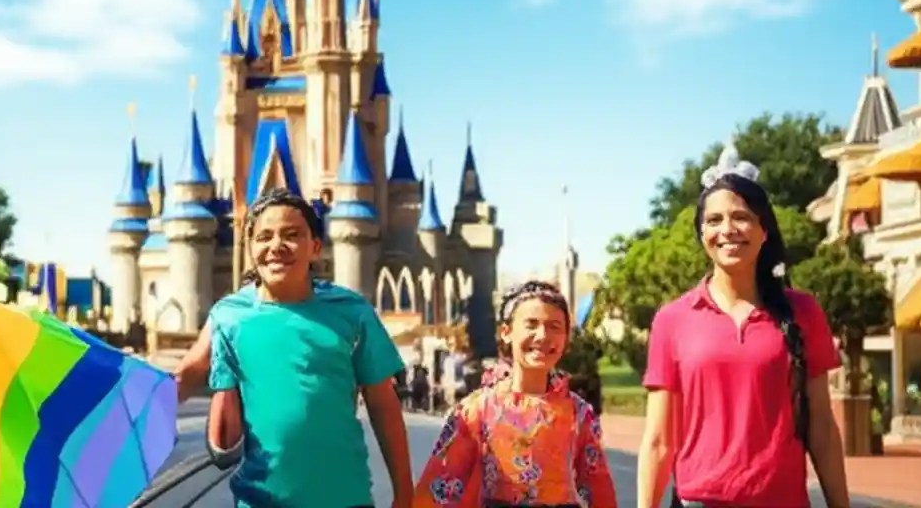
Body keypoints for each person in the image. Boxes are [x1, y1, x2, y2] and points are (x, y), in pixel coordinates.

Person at [636, 145, 849, 508]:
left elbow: (823, 429)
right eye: (714, 220)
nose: (728, 230)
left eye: (742, 217)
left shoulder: (802, 312)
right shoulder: (672, 319)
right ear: (702, 234)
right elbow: (658, 439)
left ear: (764, 229)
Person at [205, 188, 414, 508]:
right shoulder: (229, 317)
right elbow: (224, 433)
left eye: (291, 235)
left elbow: (383, 405)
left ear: (315, 247)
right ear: (250, 248)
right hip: (261, 501)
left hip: (344, 498)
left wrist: (404, 493)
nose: (276, 246)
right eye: (264, 237)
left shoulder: (351, 311)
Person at [413, 280, 617, 508]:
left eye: (554, 327)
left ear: (566, 338)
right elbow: (439, 487)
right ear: (506, 333)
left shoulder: (578, 414)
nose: (542, 336)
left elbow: (599, 490)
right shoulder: (477, 410)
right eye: (532, 324)